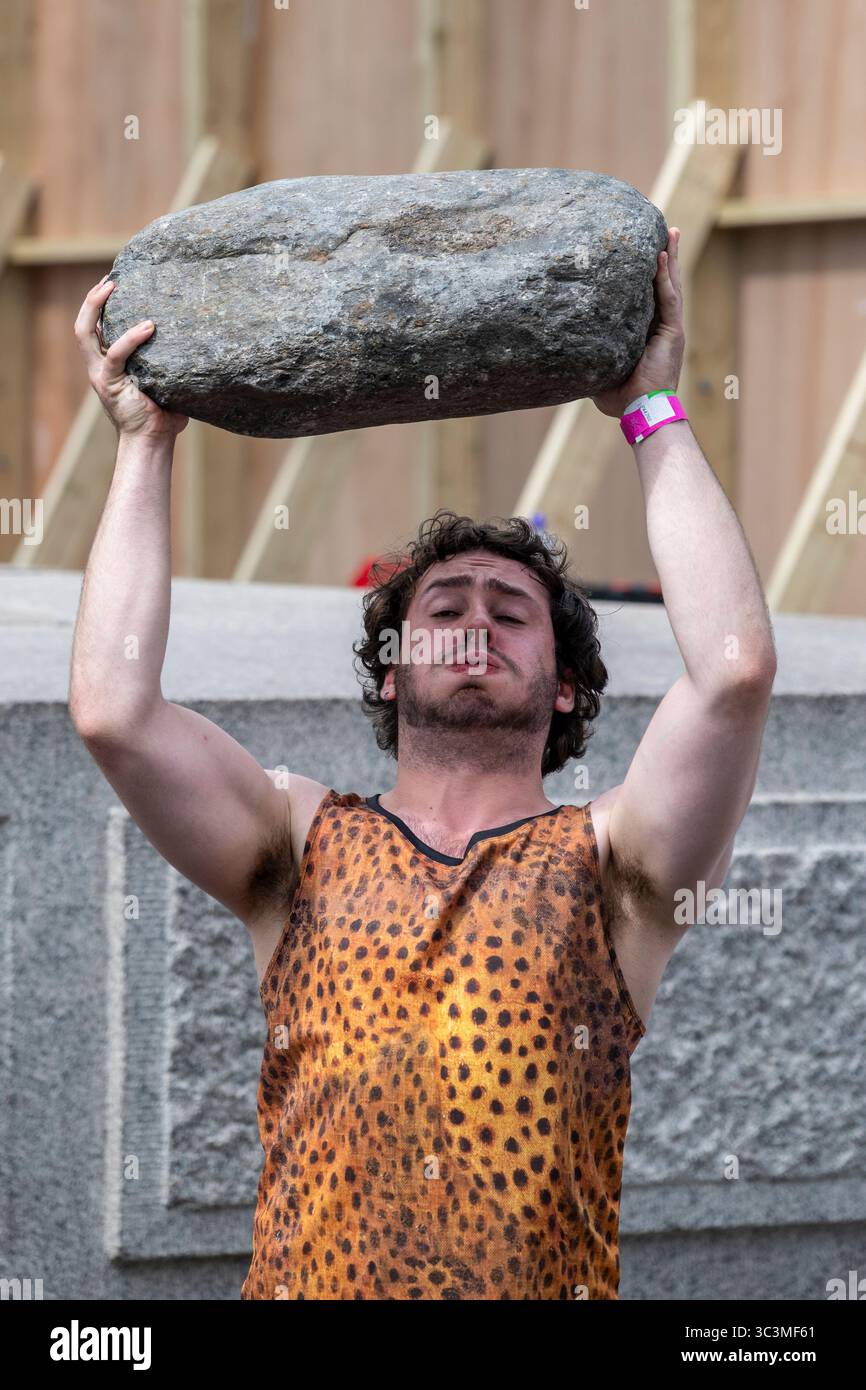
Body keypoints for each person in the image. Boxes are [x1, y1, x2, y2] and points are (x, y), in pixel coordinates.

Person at [70, 229, 776, 1299]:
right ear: (392, 672)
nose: (473, 623)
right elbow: (115, 712)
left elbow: (730, 673)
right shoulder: (299, 842)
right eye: (442, 607)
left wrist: (650, 410)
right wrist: (144, 444)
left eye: (512, 612)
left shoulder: (614, 866)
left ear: (568, 685)